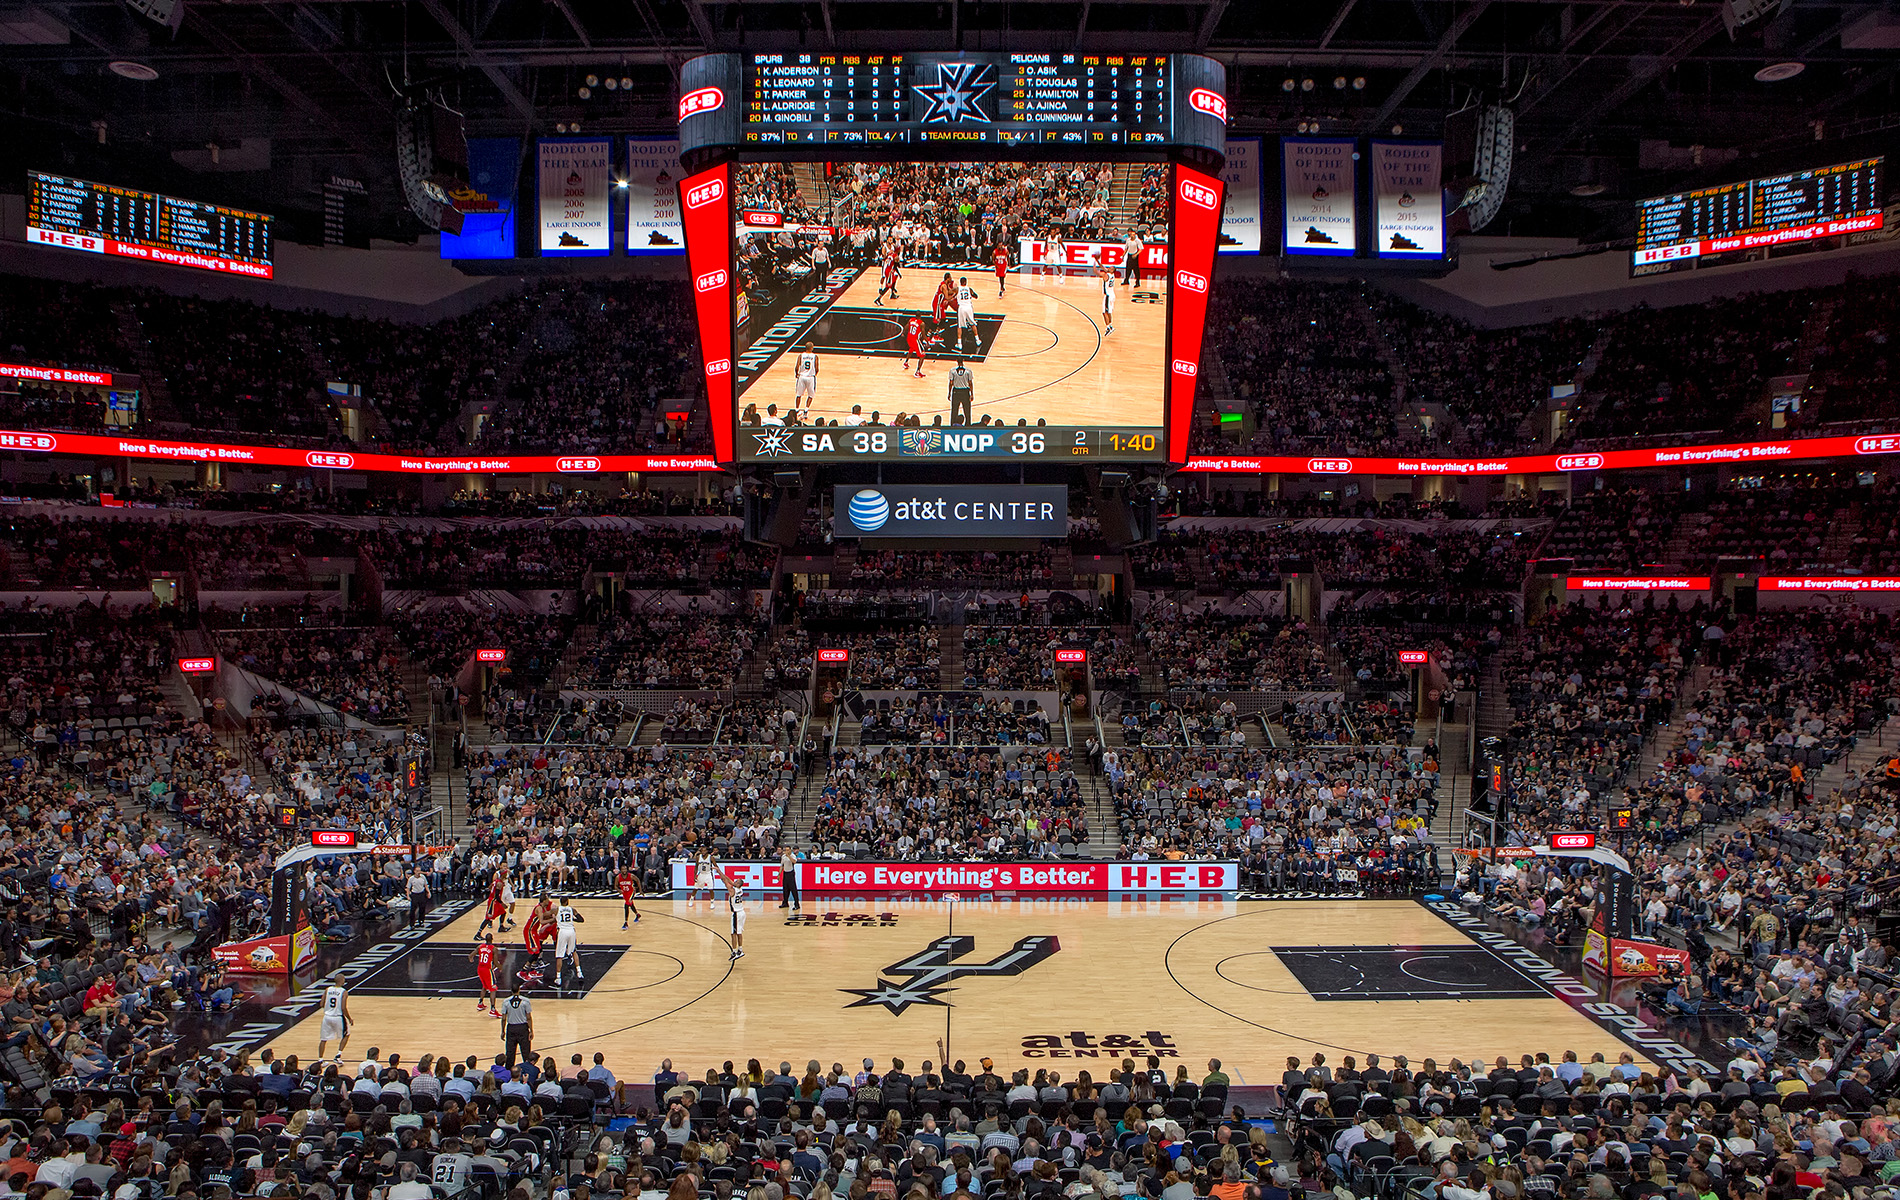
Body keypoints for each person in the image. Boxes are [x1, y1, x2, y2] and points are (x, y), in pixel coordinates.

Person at [552, 897, 586, 991]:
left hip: (562, 932)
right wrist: (572, 919)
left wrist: (555, 917)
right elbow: (581, 920)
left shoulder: (556, 909)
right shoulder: (572, 909)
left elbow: (546, 915)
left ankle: (558, 978)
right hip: (571, 931)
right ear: (567, 901)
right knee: (574, 951)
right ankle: (579, 973)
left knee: (559, 955)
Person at [500, 981, 533, 1069]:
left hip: (511, 1028)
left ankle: (509, 1073)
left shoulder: (506, 1002)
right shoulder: (525, 1001)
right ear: (519, 990)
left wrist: (502, 1031)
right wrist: (531, 1030)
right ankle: (527, 1071)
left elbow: (503, 1018)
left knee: (510, 1053)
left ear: (511, 990)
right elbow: (528, 1017)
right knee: (526, 1052)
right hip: (523, 1028)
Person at [316, 981, 350, 1061]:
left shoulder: (327, 990)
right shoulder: (344, 992)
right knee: (346, 1034)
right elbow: (343, 1008)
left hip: (327, 1017)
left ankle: (320, 1059)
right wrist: (349, 1018)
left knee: (323, 1039)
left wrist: (329, 1009)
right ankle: (338, 1055)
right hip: (338, 1017)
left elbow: (321, 1004)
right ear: (342, 981)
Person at [469, 933, 499, 1015]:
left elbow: (470, 956)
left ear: (485, 939)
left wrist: (471, 959)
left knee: (485, 986)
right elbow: (496, 962)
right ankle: (493, 1009)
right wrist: (501, 967)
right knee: (493, 989)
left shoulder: (480, 946)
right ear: (492, 939)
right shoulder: (494, 949)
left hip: (480, 969)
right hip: (487, 970)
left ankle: (480, 1003)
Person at [475, 872, 506, 938]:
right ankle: (478, 934)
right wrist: (502, 903)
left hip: (494, 901)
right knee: (488, 918)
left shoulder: (496, 881)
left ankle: (501, 927)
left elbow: (489, 887)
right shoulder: (499, 883)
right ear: (504, 875)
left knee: (503, 912)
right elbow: (496, 896)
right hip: (493, 902)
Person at [726, 873, 747, 962]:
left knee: (733, 933)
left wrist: (719, 872)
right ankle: (740, 950)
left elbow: (726, 881)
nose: (734, 881)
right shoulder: (740, 889)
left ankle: (734, 952)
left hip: (737, 914)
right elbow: (729, 880)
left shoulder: (733, 890)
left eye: (737, 881)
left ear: (738, 884)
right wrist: (719, 871)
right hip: (742, 912)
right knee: (738, 933)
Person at [955, 276, 978, 352]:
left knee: (959, 326)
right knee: (972, 323)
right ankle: (977, 340)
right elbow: (976, 296)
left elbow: (949, 293)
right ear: (966, 282)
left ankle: (959, 343)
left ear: (960, 282)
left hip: (961, 308)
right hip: (969, 307)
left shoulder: (957, 289)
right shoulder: (969, 289)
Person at [949, 360, 975, 426]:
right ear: (963, 361)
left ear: (957, 361)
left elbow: (951, 382)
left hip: (956, 391)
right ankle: (968, 425)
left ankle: (952, 426)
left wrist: (949, 393)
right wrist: (972, 394)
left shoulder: (952, 370)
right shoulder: (968, 370)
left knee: (954, 411)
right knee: (967, 411)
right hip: (965, 392)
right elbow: (970, 383)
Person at [793, 344, 819, 411]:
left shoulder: (801, 356)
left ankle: (797, 410)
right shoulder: (815, 356)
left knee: (798, 394)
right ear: (811, 348)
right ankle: (806, 410)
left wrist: (796, 374)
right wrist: (814, 374)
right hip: (810, 377)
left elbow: (796, 367)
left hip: (802, 376)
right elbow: (817, 368)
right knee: (811, 395)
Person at [779, 846, 801, 912]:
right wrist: (779, 874)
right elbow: (782, 865)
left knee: (793, 889)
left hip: (791, 873)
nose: (786, 851)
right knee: (785, 889)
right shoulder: (783, 856)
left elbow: (794, 861)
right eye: (785, 850)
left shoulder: (792, 856)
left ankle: (796, 904)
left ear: (790, 850)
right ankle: (785, 902)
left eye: (788, 850)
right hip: (785, 873)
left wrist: (789, 856)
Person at [1099, 266, 1116, 335]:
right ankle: (1110, 326)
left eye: (1111, 268)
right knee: (1108, 311)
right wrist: (1098, 262)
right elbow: (1104, 268)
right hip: (1112, 295)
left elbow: (1100, 272)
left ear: (1112, 271)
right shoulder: (1112, 275)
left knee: (1104, 312)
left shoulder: (1107, 275)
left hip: (1108, 296)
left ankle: (1109, 327)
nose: (1109, 268)